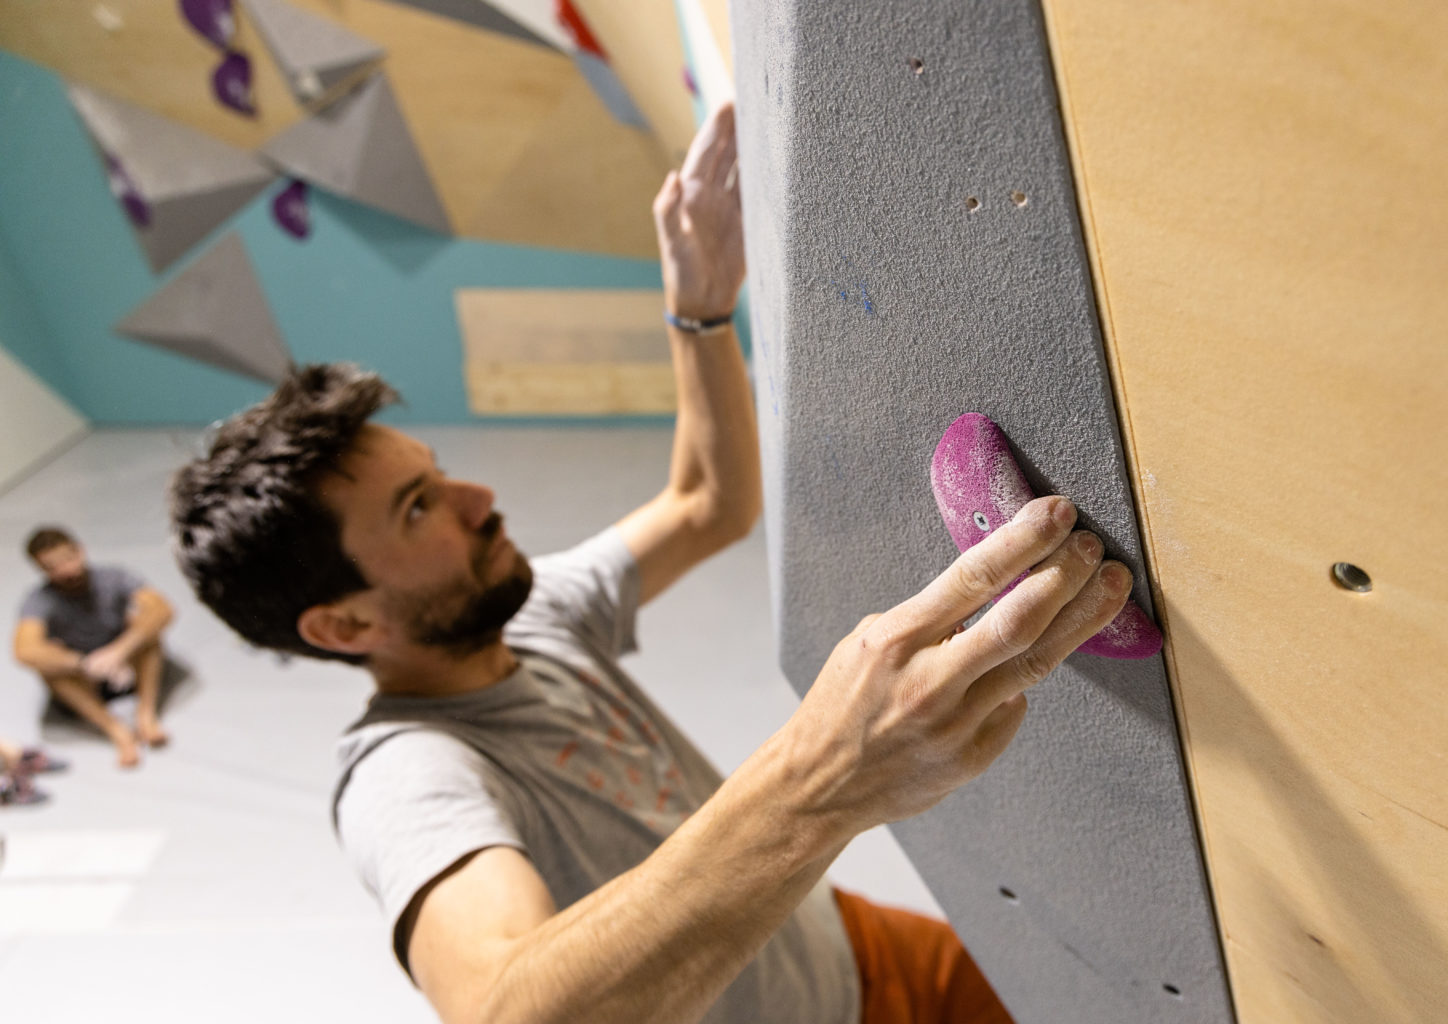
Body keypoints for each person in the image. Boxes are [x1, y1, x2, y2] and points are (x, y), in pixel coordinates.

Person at [168, 103, 1133, 1024]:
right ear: (342, 624)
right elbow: (508, 1010)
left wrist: (701, 313)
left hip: (851, 951)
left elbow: (705, 504)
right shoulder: (409, 778)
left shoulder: (529, 613)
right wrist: (822, 778)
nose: (478, 501)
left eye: (440, 474)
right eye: (419, 508)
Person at [12, 527, 174, 768]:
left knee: (146, 630)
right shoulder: (39, 600)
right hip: (86, 674)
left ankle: (146, 715)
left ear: (80, 550)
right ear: (41, 569)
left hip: (125, 660)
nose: (66, 570)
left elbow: (162, 609)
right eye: (52, 566)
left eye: (69, 558)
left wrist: (120, 651)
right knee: (47, 665)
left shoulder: (114, 576)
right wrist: (83, 662)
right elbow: (24, 650)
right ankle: (117, 731)